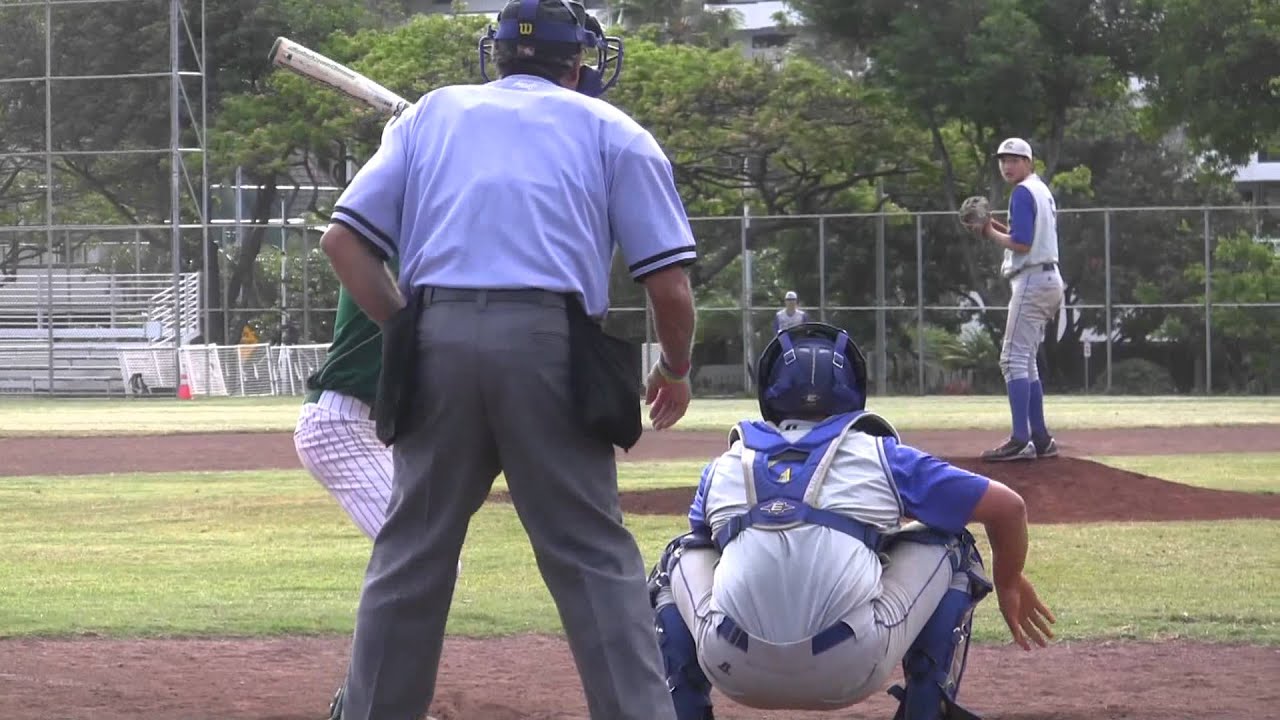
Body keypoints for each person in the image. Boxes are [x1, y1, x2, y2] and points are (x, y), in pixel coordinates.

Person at [316, 0, 698, 718]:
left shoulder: (430, 114)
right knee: (591, 557)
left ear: (497, 53)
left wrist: (409, 330)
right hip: (551, 345)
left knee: (411, 556)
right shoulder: (613, 129)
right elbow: (668, 286)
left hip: (437, 339)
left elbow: (344, 242)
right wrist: (675, 368)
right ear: (579, 60)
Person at [646, 322, 1055, 720]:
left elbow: (710, 549)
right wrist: (1008, 580)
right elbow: (1008, 508)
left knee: (679, 554)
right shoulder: (883, 455)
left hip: (730, 664)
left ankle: (683, 707)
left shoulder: (722, 467)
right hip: (852, 665)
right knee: (955, 545)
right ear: (855, 392)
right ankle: (926, 706)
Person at [973, 137, 1065, 462]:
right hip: (1049, 278)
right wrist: (992, 225)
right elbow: (1024, 235)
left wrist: (988, 233)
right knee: (1025, 361)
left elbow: (1022, 244)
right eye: (1003, 160)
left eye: (1014, 159)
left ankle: (1020, 439)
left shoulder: (1022, 192)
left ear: (1029, 162)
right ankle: (1040, 439)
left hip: (1032, 280)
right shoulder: (1040, 190)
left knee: (1011, 359)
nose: (1007, 165)